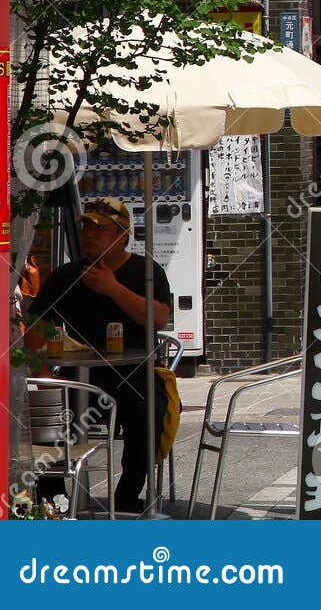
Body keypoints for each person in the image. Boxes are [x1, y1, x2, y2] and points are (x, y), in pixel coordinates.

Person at [27, 198, 173, 513]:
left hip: (135, 374)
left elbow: (160, 319)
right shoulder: (68, 276)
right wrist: (55, 341)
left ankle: (127, 497)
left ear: (122, 236)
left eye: (99, 228)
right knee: (47, 413)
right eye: (85, 227)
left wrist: (112, 288)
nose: (89, 234)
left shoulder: (145, 271)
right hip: (79, 377)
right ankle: (55, 501)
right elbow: (37, 328)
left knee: (147, 413)